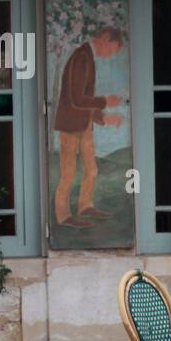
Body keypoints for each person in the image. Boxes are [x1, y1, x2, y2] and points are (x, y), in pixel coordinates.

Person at [53, 27, 125, 228]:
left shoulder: (87, 57)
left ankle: (85, 206)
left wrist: (104, 119)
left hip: (83, 126)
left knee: (91, 170)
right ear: (104, 38)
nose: (111, 55)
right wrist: (105, 101)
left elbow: (85, 101)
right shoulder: (82, 56)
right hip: (70, 126)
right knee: (68, 174)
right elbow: (77, 99)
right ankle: (64, 216)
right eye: (113, 49)